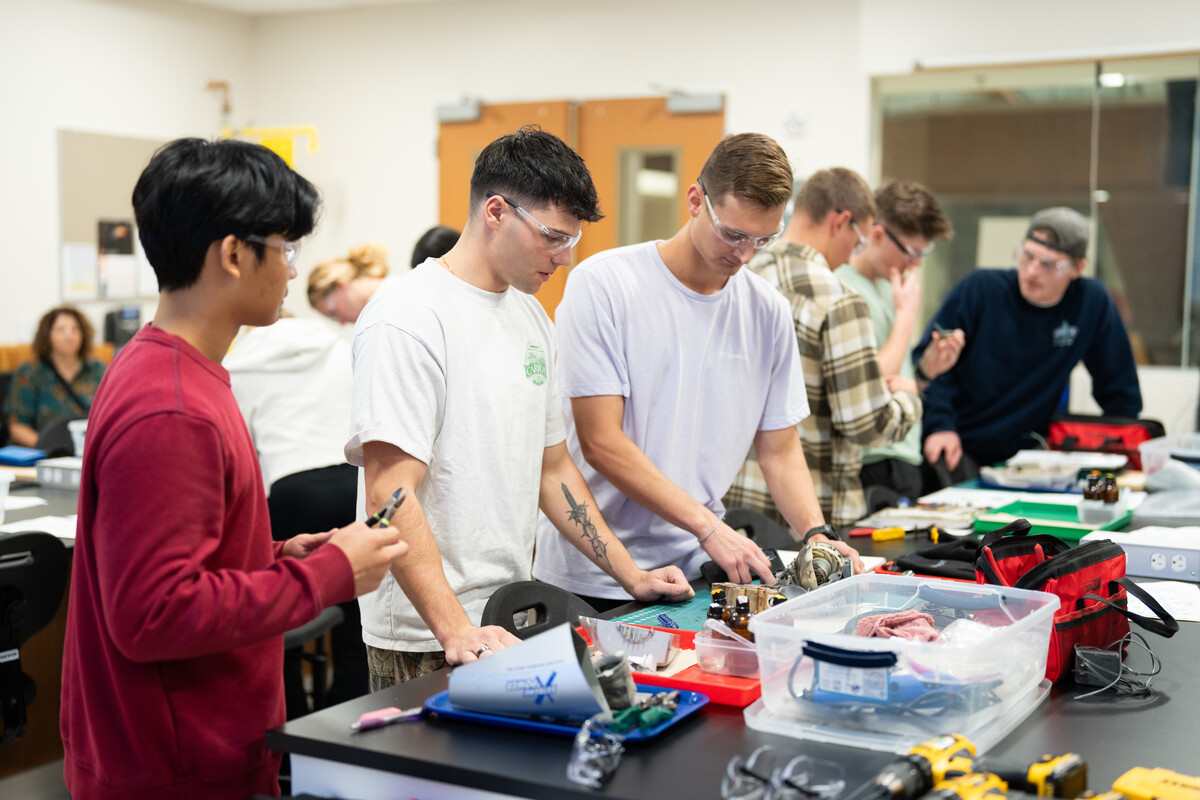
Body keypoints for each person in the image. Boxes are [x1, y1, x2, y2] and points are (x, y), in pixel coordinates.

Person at [60, 138, 408, 800]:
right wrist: (326, 576)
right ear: (232, 253)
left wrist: (277, 554)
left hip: (186, 748)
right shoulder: (172, 407)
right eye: (285, 250)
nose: (290, 272)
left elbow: (172, 558)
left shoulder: (171, 368)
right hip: (176, 766)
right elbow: (154, 613)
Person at [348, 125, 692, 689]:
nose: (562, 258)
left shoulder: (532, 318)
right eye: (553, 237)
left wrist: (633, 576)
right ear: (496, 211)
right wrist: (456, 631)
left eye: (571, 241)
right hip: (428, 631)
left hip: (508, 615)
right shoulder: (407, 318)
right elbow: (390, 490)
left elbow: (552, 468)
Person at [531, 134, 861, 611]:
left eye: (762, 240)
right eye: (733, 234)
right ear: (694, 202)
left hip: (701, 568)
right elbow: (602, 443)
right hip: (597, 574)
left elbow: (781, 450)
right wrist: (707, 525)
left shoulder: (767, 310)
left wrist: (816, 532)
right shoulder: (605, 284)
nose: (746, 255)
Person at [723, 168, 923, 529]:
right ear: (841, 222)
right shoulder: (840, 299)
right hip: (813, 517)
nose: (851, 257)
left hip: (733, 507)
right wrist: (909, 400)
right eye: (858, 241)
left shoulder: (737, 278)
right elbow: (865, 424)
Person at [917, 206, 1142, 478]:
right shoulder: (980, 289)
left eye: (1048, 264)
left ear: (1077, 268)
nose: (1032, 271)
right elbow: (929, 364)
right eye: (1027, 256)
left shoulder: (1091, 303)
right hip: (958, 445)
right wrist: (940, 425)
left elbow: (1120, 391)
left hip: (1033, 458)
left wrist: (1119, 452)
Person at [225, 313, 369, 718]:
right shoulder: (341, 349)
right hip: (352, 480)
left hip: (292, 489)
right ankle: (344, 724)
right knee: (356, 623)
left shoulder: (239, 366)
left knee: (281, 619)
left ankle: (291, 729)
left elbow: (240, 450)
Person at [834, 179, 963, 503]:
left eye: (924, 253)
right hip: (870, 463)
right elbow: (870, 386)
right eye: (912, 252)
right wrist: (906, 316)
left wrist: (926, 372)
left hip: (903, 457)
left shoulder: (890, 289)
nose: (916, 263)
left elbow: (899, 383)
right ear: (877, 235)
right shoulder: (843, 289)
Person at [3, 305, 106, 447]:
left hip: (87, 453)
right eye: (61, 330)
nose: (69, 335)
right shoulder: (30, 373)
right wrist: (51, 449)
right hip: (43, 454)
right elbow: (17, 427)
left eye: (75, 329)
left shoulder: (98, 370)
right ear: (47, 335)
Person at [307, 242, 389, 324]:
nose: (342, 322)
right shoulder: (384, 303)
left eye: (333, 313)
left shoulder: (383, 318)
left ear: (340, 284)